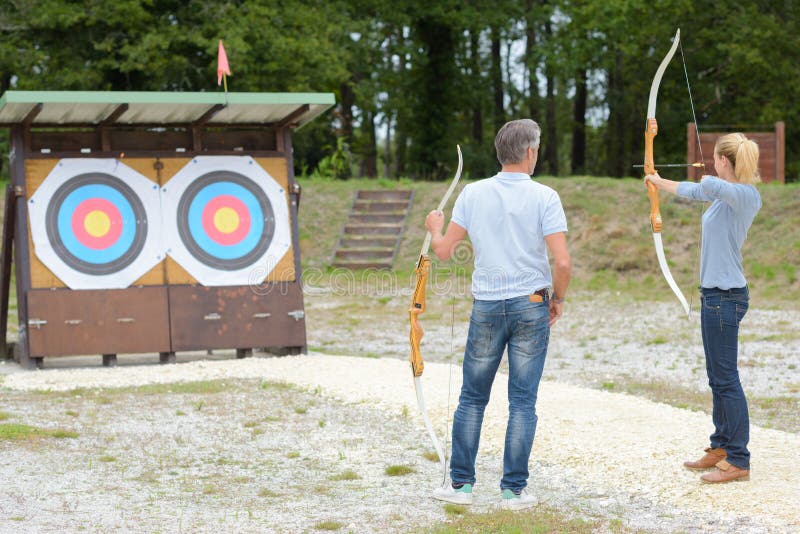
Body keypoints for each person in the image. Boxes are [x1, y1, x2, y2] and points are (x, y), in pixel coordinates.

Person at [425, 119, 571, 509]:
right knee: (522, 401)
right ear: (529, 153)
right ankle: (513, 490)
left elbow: (441, 250)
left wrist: (434, 227)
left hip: (487, 305)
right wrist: (558, 298)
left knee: (472, 398)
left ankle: (460, 488)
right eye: (537, 149)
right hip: (532, 304)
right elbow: (562, 262)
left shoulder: (473, 193)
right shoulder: (545, 196)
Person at [645, 132, 762, 484]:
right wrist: (657, 180)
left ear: (726, 161)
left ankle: (739, 458)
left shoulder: (745, 195)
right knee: (717, 377)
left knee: (727, 379)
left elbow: (711, 186)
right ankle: (721, 447)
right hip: (713, 296)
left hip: (726, 297)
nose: (711, 163)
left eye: (715, 158)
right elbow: (698, 190)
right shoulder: (721, 196)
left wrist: (708, 179)